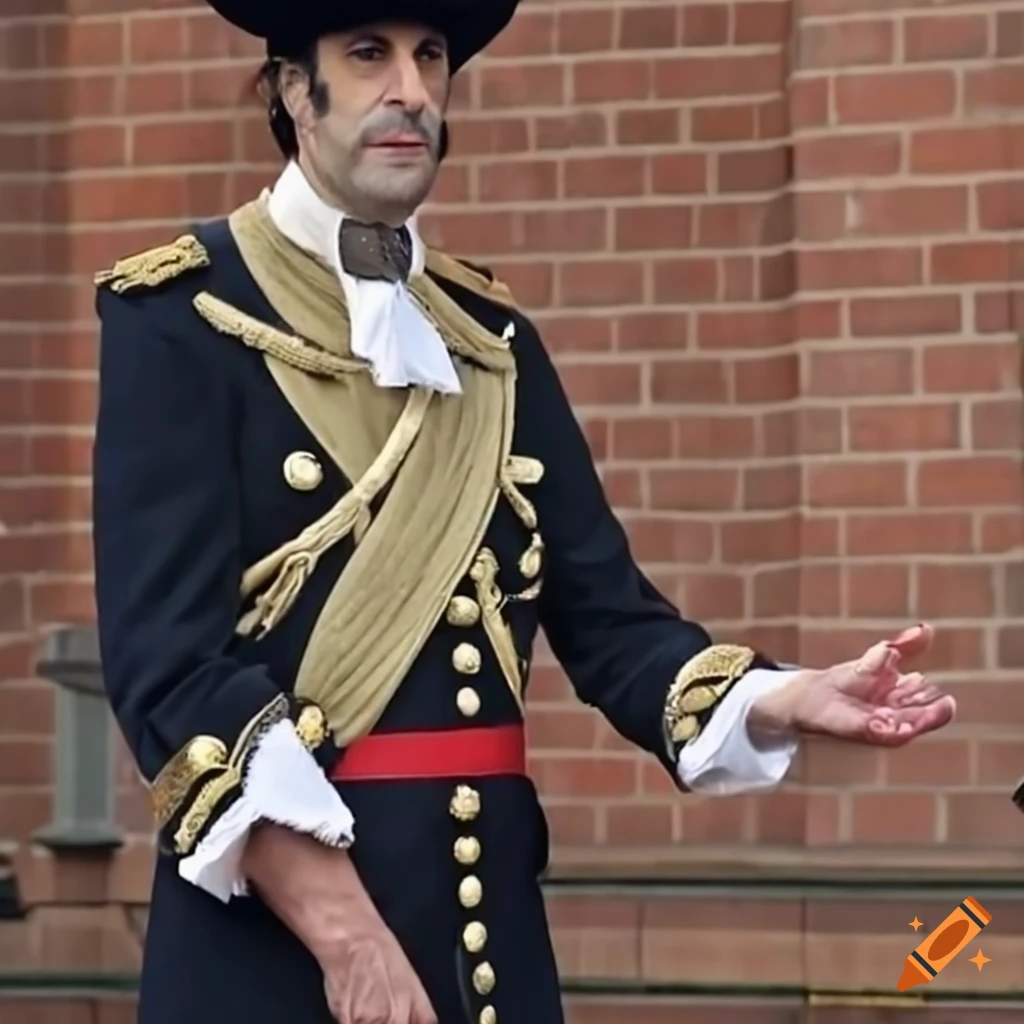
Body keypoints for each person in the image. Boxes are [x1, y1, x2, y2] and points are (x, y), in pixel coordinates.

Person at [89, 2, 957, 1022]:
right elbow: (171, 675)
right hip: (275, 961)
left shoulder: (490, 341)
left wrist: (785, 694)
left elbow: (610, 619)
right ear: (293, 90)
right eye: (368, 55)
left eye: (430, 57)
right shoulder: (183, 320)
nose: (410, 89)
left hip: (484, 955)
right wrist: (347, 935)